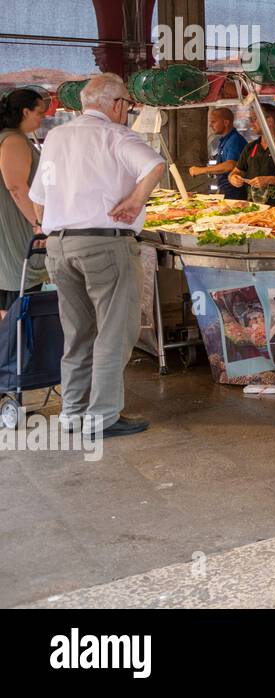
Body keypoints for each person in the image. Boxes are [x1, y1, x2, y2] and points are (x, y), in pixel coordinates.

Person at [29, 73, 165, 438]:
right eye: (127, 105)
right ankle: (102, 417)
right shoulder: (115, 135)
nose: (128, 111)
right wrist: (136, 201)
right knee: (114, 331)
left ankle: (72, 413)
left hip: (58, 245)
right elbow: (155, 165)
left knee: (76, 333)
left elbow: (37, 197)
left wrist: (52, 228)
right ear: (117, 105)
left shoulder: (56, 137)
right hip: (105, 243)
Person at [0, 88, 48, 311]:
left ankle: (11, 343)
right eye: (40, 112)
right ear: (25, 112)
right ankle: (15, 344)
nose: (43, 117)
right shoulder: (13, 140)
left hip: (12, 222)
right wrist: (38, 224)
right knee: (19, 295)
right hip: (16, 224)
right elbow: (16, 187)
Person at [228, 103, 275, 209]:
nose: (251, 123)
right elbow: (236, 171)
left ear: (269, 121)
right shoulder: (250, 147)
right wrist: (233, 178)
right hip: (253, 209)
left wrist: (269, 180)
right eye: (250, 119)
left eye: (254, 119)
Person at [188, 107, 246, 199]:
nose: (210, 125)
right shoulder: (224, 140)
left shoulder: (234, 140)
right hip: (226, 189)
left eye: (213, 122)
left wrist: (201, 170)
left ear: (226, 123)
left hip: (235, 192)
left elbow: (231, 164)